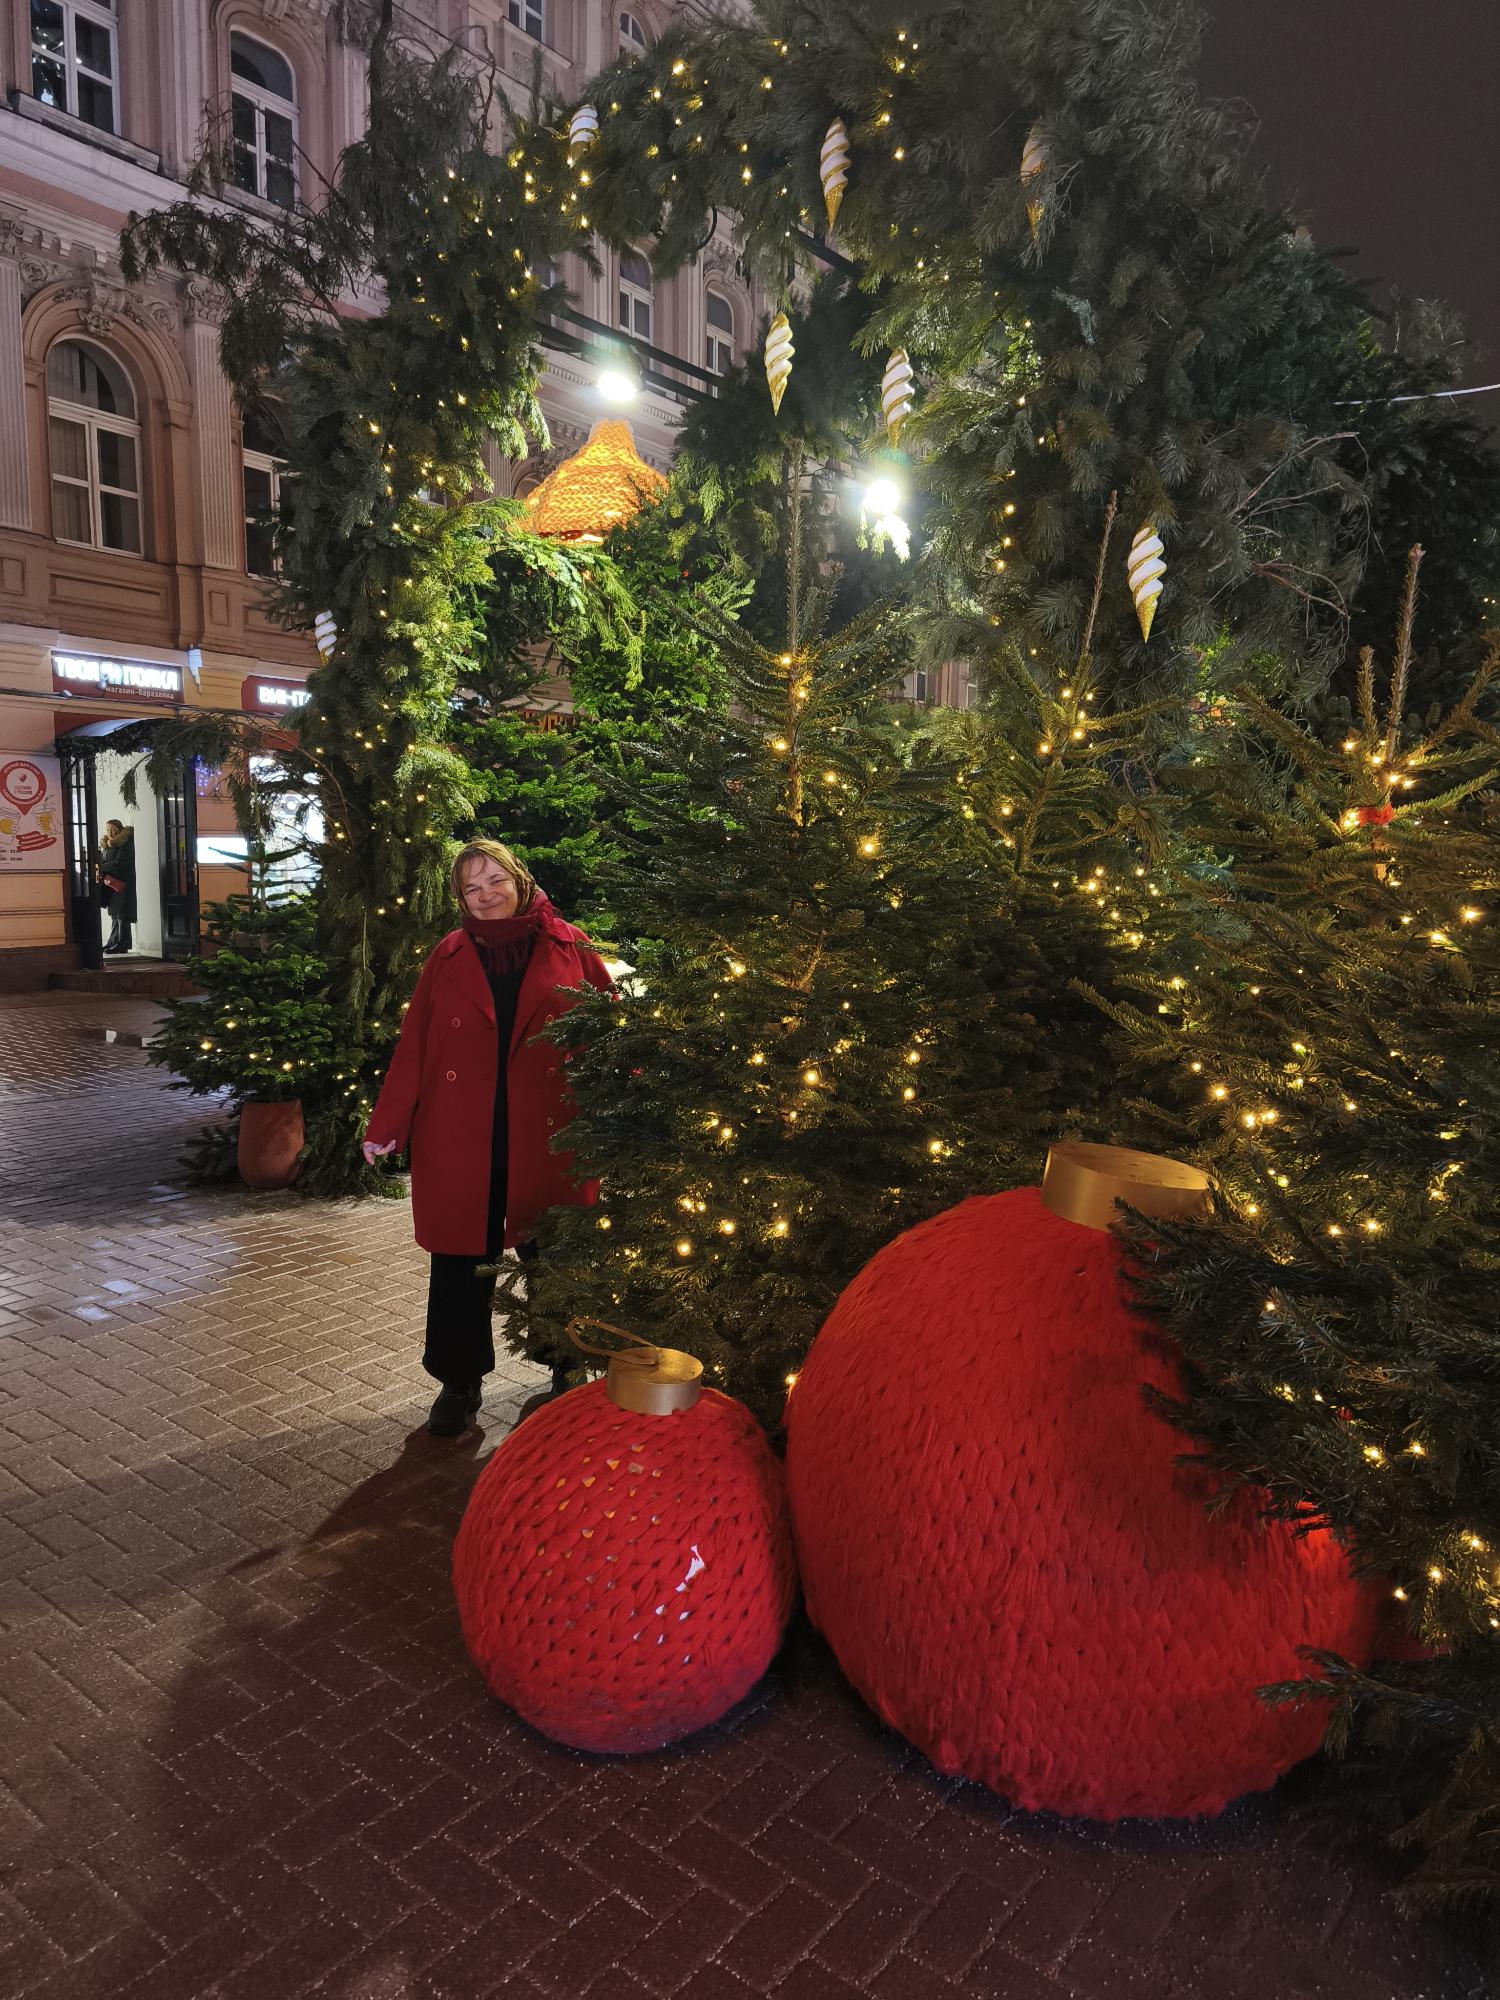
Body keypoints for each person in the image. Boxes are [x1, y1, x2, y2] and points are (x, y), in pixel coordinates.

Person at [362, 840, 612, 1436]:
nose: (486, 894)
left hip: (549, 1131)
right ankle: (458, 1383)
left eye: (495, 880)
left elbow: (609, 1027)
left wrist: (628, 1105)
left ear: (519, 880)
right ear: (461, 898)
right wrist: (388, 1124)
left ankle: (566, 1366)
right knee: (458, 1264)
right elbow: (415, 1047)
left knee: (552, 1254)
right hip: (461, 1135)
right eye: (472, 888)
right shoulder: (447, 957)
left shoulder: (570, 945)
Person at [98, 819, 136, 955]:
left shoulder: (125, 844)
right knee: (114, 914)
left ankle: (123, 943)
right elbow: (105, 860)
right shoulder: (107, 845)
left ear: (119, 829)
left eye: (112, 829)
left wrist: (101, 867)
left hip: (123, 884)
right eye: (107, 829)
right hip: (112, 884)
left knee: (122, 914)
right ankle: (113, 941)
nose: (110, 832)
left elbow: (120, 863)